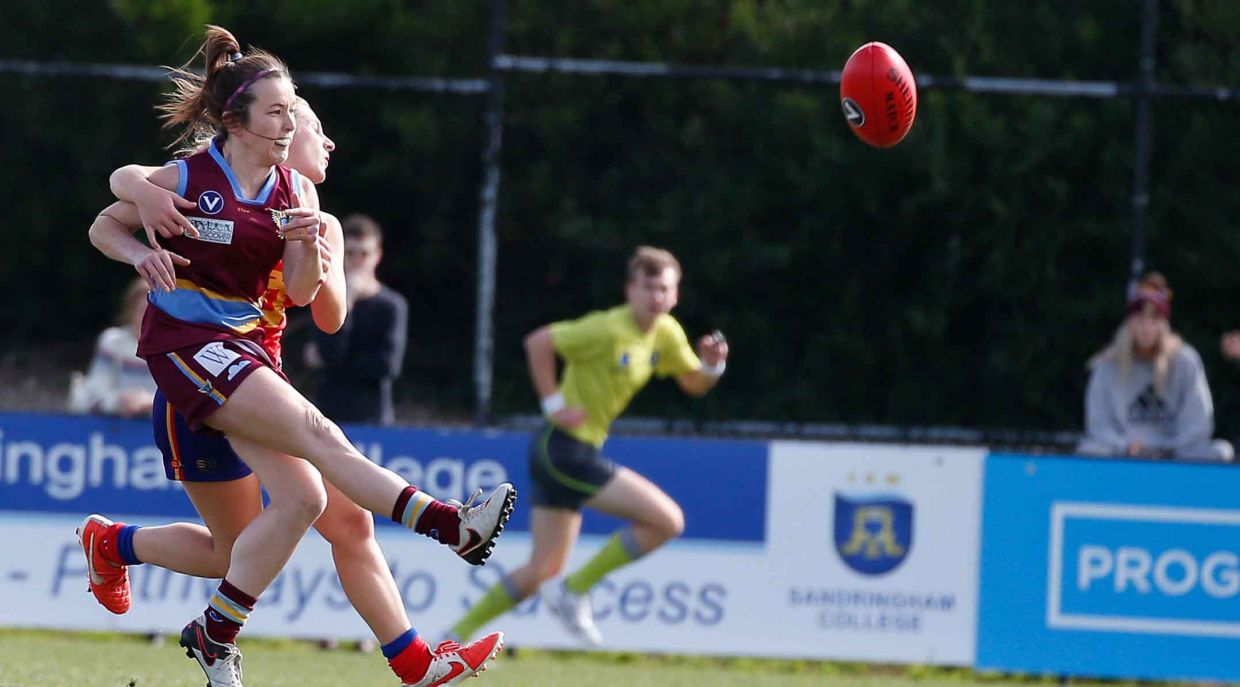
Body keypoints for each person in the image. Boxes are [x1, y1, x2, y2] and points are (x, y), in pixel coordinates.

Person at [81, 26, 514, 687]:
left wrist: (313, 246)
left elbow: (320, 303)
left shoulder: (301, 201)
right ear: (240, 122)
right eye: (292, 117)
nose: (311, 135)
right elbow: (115, 200)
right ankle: (448, 524)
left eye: (297, 115)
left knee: (306, 514)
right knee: (319, 451)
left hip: (253, 368)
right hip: (196, 363)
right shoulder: (204, 174)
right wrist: (139, 210)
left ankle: (185, 602)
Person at [446, 246, 729, 646]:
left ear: (676, 294)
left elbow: (692, 383)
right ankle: (575, 589)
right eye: (648, 287)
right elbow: (539, 342)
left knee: (543, 567)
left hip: (571, 452)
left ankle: (451, 636)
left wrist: (712, 366)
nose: (657, 297)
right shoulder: (607, 328)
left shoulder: (666, 332)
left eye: (665, 289)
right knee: (667, 520)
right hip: (562, 448)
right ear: (629, 289)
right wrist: (553, 404)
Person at [1077, 272, 1232, 461]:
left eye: (1154, 319)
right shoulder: (1107, 365)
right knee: (1089, 449)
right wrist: (1125, 446)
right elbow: (1098, 425)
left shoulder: (1185, 360)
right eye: (1140, 319)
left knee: (1222, 450)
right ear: (1129, 323)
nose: (1146, 327)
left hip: (1177, 453)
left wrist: (1169, 449)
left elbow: (1198, 422)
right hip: (1123, 453)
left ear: (1164, 324)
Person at [304, 214, 407, 425]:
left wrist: (332, 361)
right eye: (350, 253)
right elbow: (329, 351)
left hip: (372, 416)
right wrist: (346, 302)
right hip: (328, 412)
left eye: (365, 254)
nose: (357, 261)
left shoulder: (392, 306)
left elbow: (387, 366)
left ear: (377, 256)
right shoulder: (323, 297)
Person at [68, 278, 158, 418]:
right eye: (142, 310)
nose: (147, 317)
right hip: (112, 428)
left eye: (154, 311)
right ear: (130, 310)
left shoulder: (177, 348)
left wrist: (151, 403)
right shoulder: (112, 341)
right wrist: (119, 402)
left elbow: (183, 398)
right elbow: (94, 392)